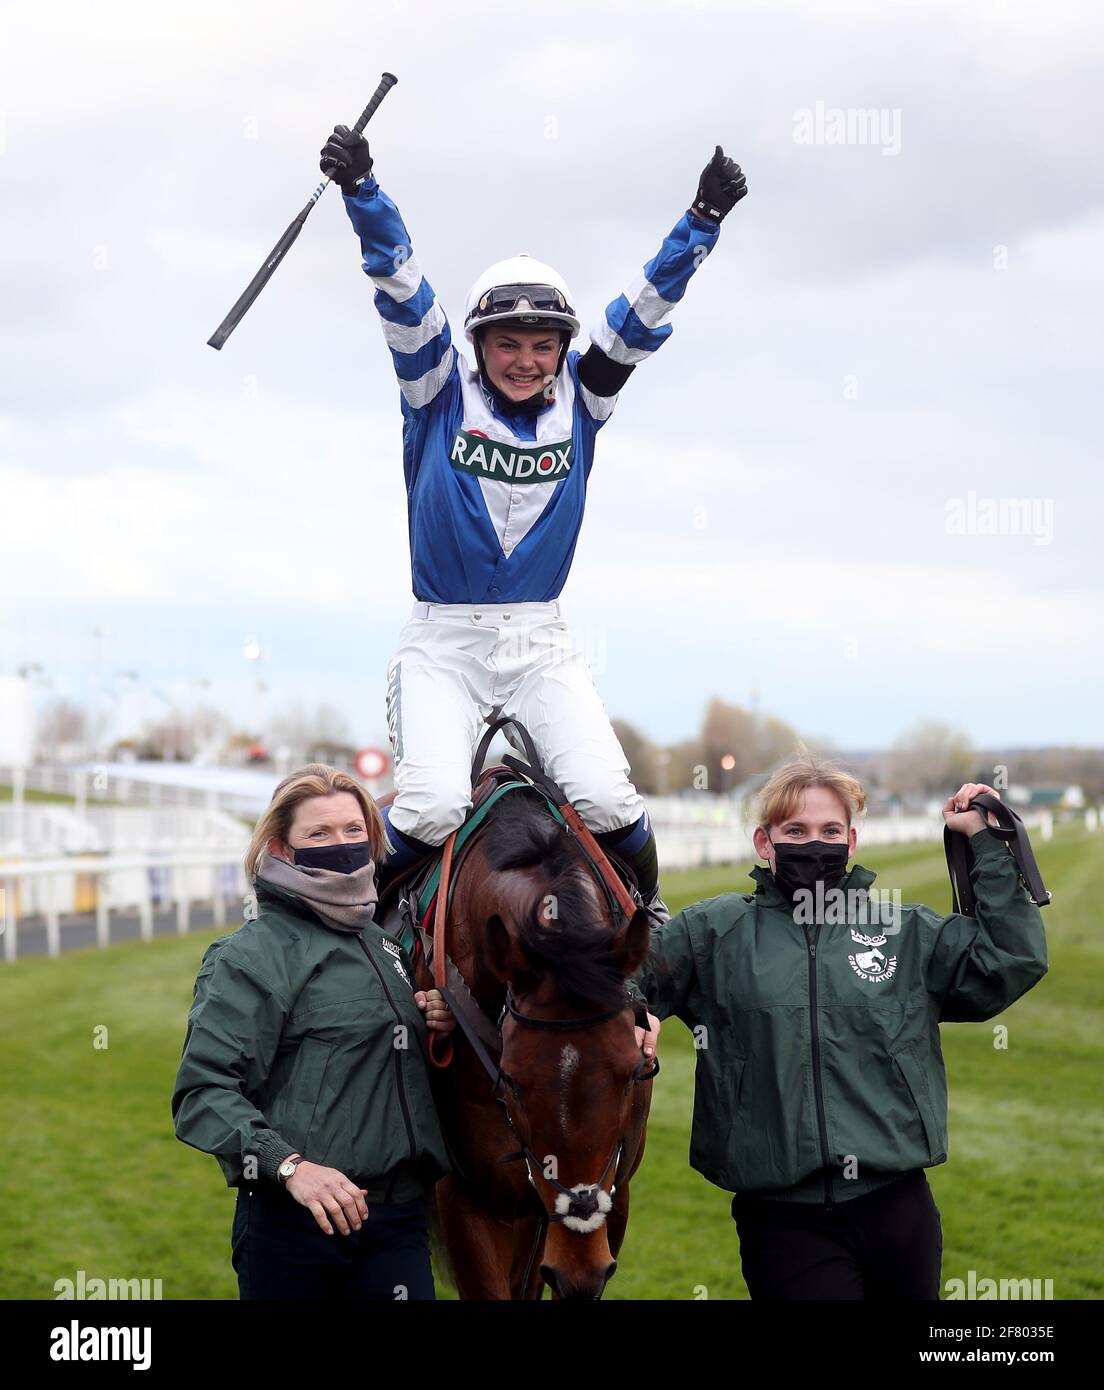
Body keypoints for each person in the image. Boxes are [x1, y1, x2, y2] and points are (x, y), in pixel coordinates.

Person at [317, 123, 749, 917]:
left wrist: (701, 223)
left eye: (542, 345)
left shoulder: (587, 397)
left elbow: (646, 308)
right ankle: (345, 932)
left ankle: (645, 931)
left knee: (610, 801)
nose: (525, 359)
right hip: (442, 644)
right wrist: (363, 191)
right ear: (480, 344)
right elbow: (401, 286)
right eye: (508, 343)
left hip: (539, 641)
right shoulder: (437, 389)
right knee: (433, 807)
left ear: (561, 349)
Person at [631, 754, 1048, 1299]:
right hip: (784, 1220)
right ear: (765, 842)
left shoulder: (904, 932)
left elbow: (1011, 958)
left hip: (899, 1208)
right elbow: (613, 979)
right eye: (796, 830)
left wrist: (987, 845)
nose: (815, 843)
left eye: (830, 830)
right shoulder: (711, 933)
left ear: (851, 842)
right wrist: (631, 1011)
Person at [172, 764, 454, 1300]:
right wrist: (291, 1167)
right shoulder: (250, 956)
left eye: (353, 831)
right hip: (297, 1223)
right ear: (281, 849)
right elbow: (202, 1093)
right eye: (319, 834)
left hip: (396, 1223)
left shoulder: (386, 945)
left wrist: (430, 1019)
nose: (342, 845)